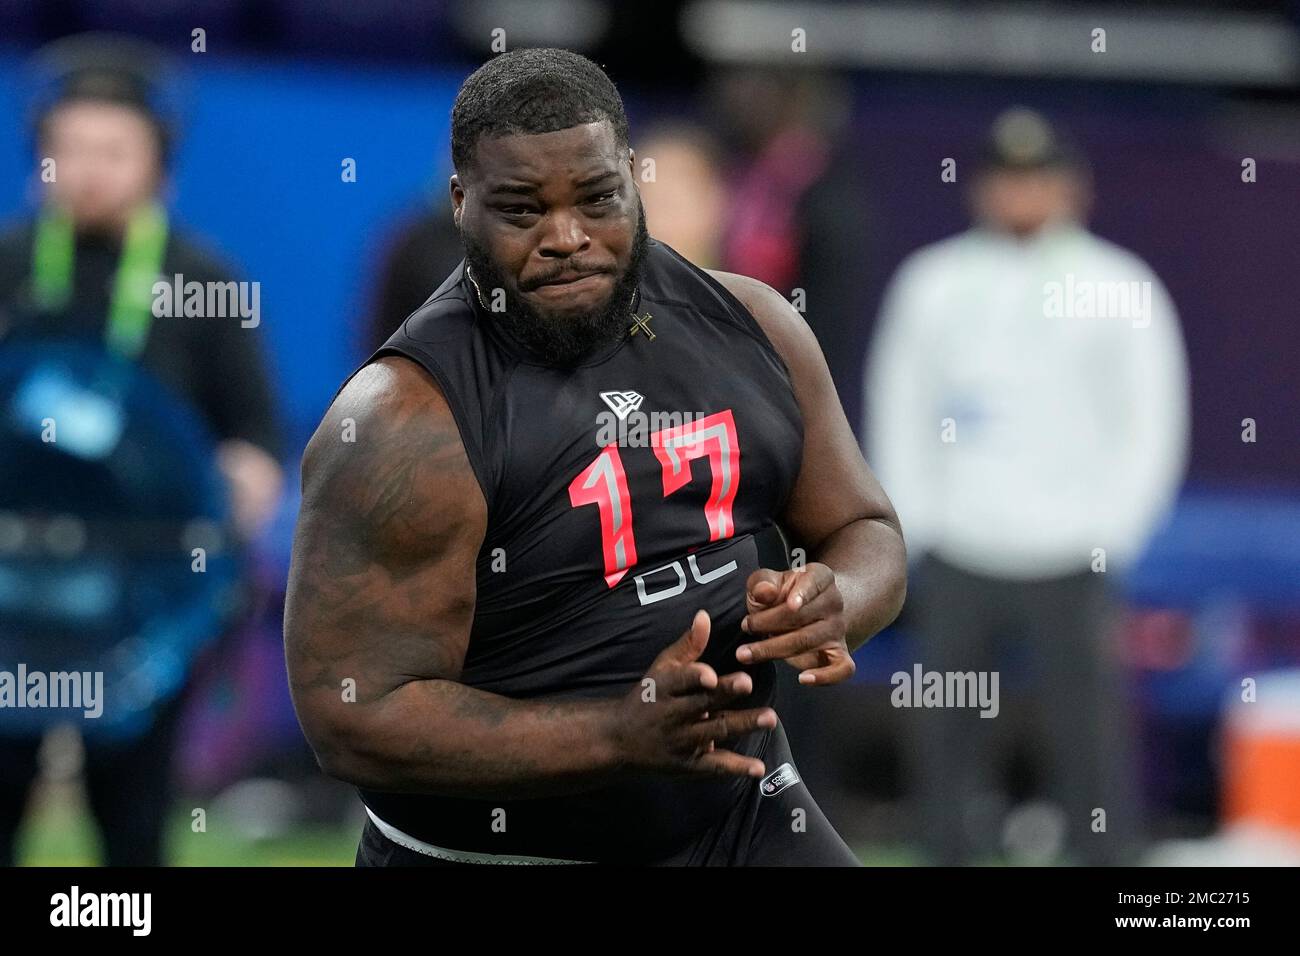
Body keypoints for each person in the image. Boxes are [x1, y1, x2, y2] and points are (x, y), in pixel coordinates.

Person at [285, 48, 907, 866]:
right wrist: (612, 734)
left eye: (597, 199)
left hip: (741, 810)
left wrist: (836, 601)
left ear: (629, 177)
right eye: (521, 210)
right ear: (461, 203)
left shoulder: (755, 325)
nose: (567, 238)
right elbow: (351, 716)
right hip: (499, 854)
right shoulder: (406, 419)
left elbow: (866, 528)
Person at [864, 107, 1191, 864]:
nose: (1021, 195)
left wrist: (1114, 530)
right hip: (962, 545)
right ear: (980, 190)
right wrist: (920, 524)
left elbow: (1150, 419)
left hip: (1074, 550)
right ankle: (948, 850)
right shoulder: (933, 282)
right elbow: (898, 404)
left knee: (1089, 734)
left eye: (1037, 178)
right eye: (1006, 179)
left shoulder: (1118, 284)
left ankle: (1108, 864)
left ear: (1072, 188)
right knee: (947, 729)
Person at [0, 35, 284, 866]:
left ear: (160, 164)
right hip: (12, 592)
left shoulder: (204, 278)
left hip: (146, 603)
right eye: (70, 149)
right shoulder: (8, 268)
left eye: (112, 151)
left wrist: (247, 477)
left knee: (132, 823)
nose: (87, 170)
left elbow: (256, 435)